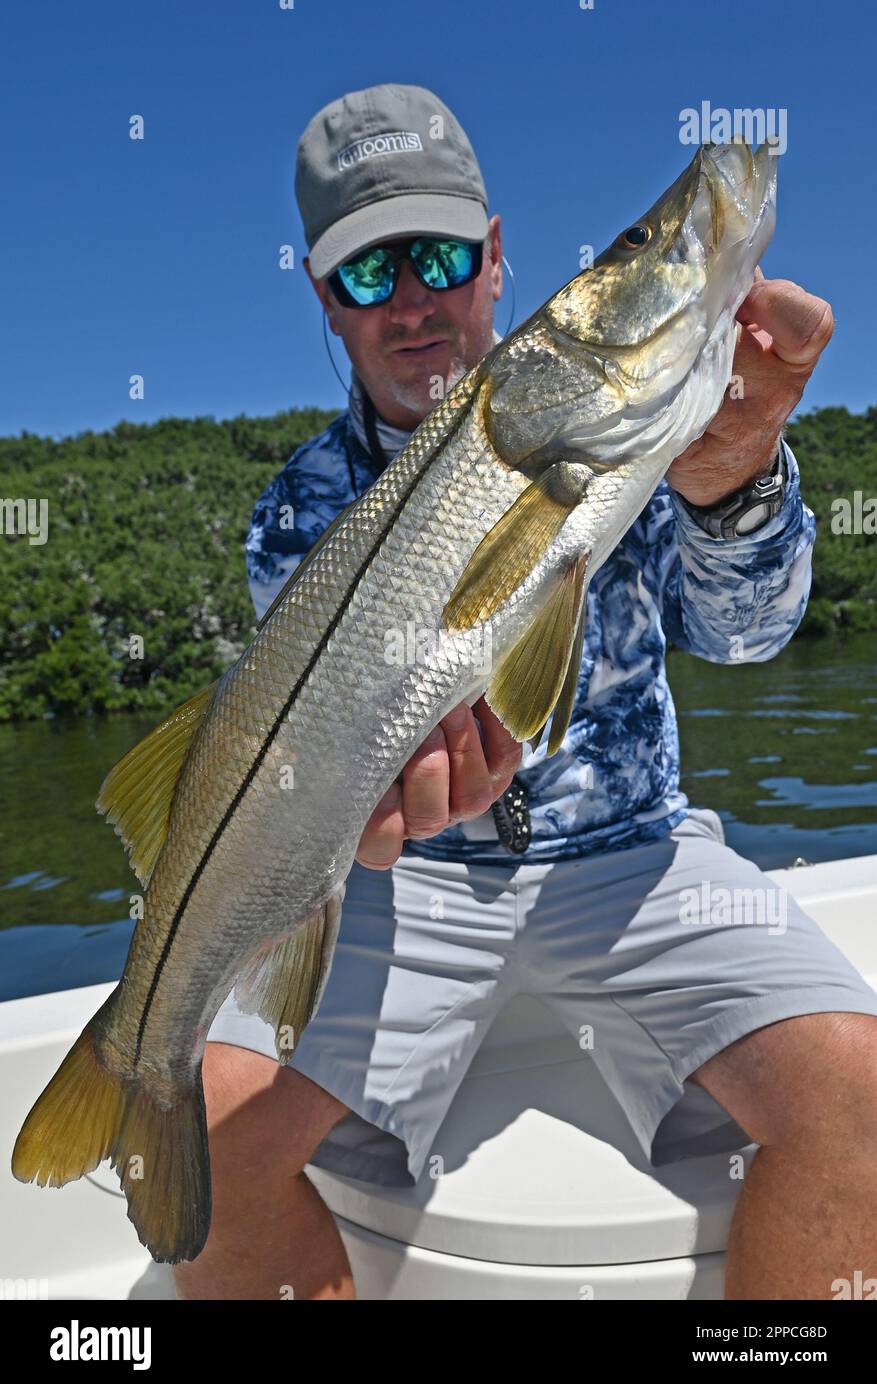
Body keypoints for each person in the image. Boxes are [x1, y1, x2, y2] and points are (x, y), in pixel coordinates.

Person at [173, 84, 876, 1301]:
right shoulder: (295, 509)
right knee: (213, 1142)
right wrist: (364, 820)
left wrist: (735, 478)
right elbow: (331, 781)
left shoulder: (637, 422)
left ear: (497, 261)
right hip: (408, 883)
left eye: (439, 255)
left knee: (859, 1093)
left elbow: (750, 634)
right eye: (364, 274)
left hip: (635, 857)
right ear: (322, 298)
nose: (410, 302)